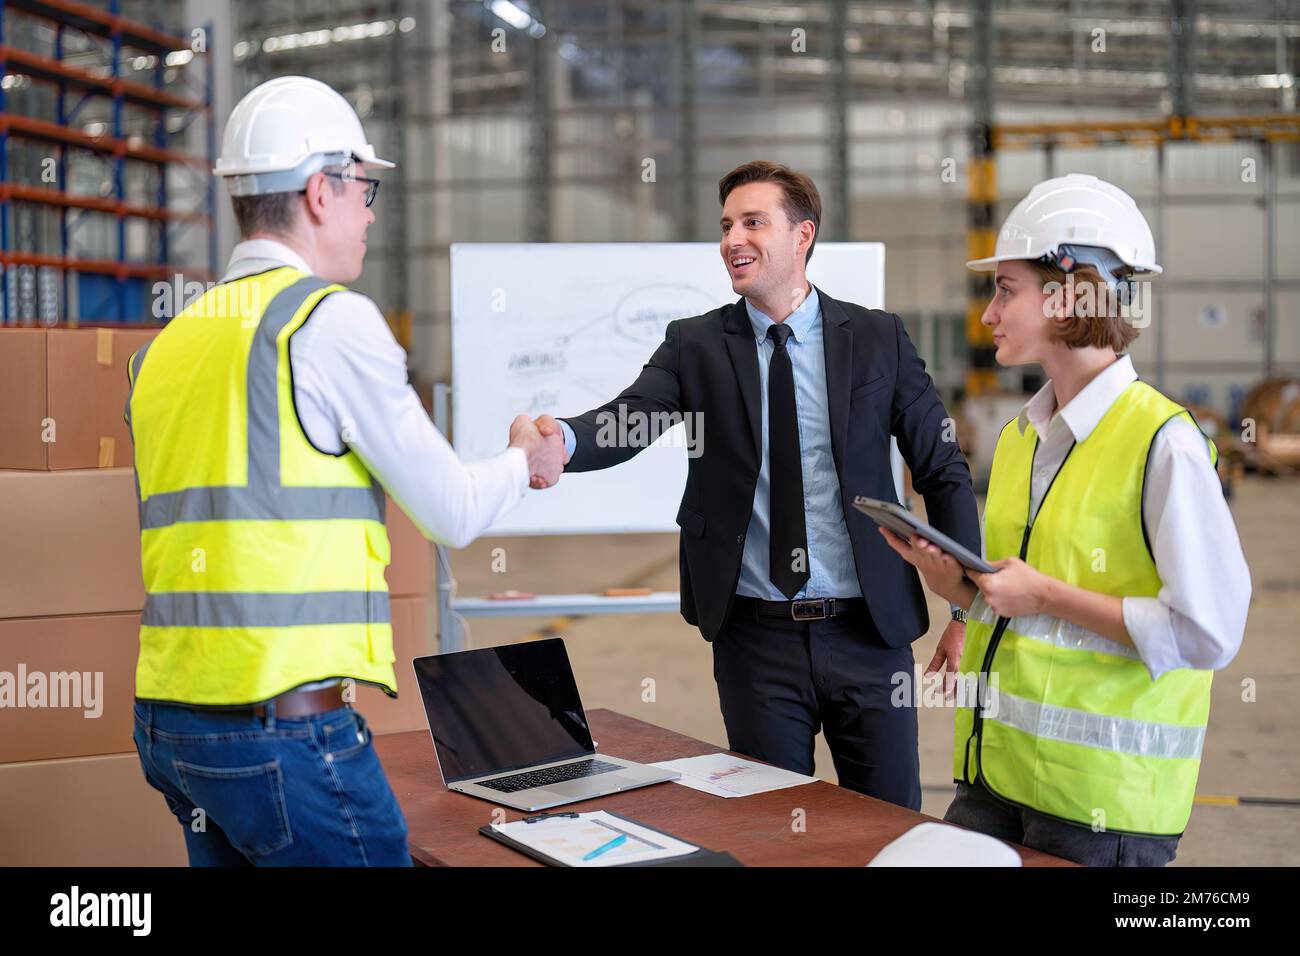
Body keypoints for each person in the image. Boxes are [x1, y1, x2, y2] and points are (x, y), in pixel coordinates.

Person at [125, 76, 564, 866]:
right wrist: (522, 459)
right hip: (281, 730)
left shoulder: (167, 345)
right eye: (364, 188)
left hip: (170, 725)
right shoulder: (325, 322)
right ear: (319, 191)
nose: (369, 213)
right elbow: (453, 512)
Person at [531, 161, 980, 809]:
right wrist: (562, 442)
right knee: (771, 830)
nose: (731, 239)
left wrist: (966, 609)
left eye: (752, 222)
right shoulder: (697, 346)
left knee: (889, 829)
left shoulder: (877, 339)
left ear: (802, 235)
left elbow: (943, 472)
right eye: (725, 226)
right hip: (755, 643)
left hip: (869, 636)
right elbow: (629, 421)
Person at [882, 173, 1250, 865]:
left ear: (1070, 290)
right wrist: (960, 591)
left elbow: (1209, 632)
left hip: (1100, 810)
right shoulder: (1024, 436)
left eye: (1006, 289)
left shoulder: (1162, 442)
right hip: (997, 780)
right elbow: (1029, 609)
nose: (989, 313)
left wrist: (1044, 594)